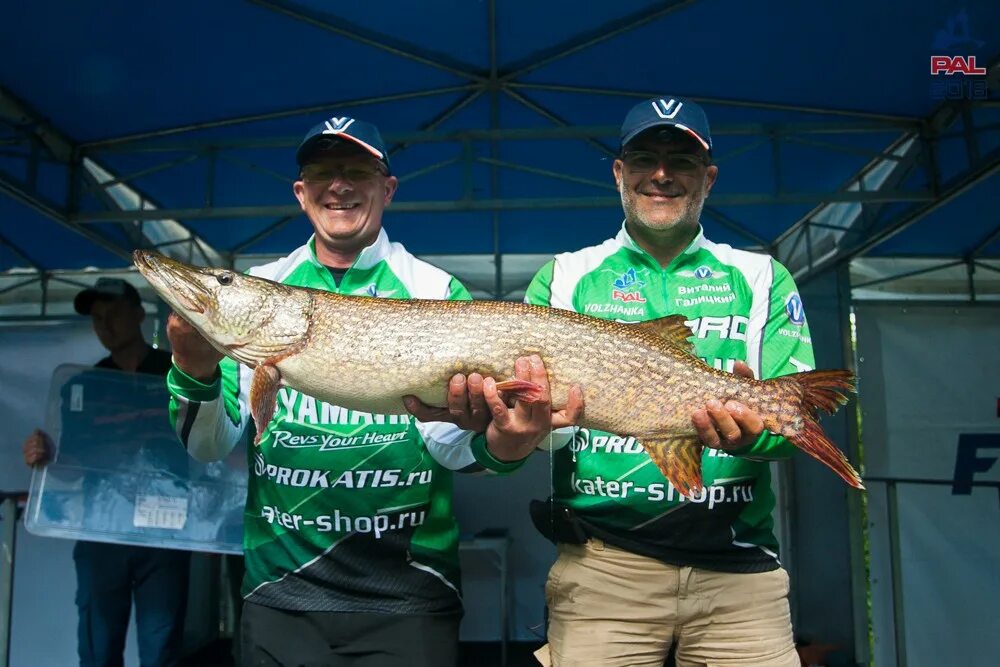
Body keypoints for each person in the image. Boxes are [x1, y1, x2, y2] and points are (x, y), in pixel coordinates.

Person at [164, 115, 582, 667]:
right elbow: (208, 446)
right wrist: (194, 371)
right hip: (280, 590)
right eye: (322, 172)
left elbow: (452, 444)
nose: (339, 185)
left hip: (409, 593)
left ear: (386, 188)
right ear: (301, 192)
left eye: (357, 171)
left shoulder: (435, 289)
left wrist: (506, 445)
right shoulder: (258, 288)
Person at [522, 96, 811, 667]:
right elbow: (538, 434)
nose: (660, 174)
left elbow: (796, 423)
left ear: (708, 178)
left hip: (740, 576)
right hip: (603, 572)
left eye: (680, 160)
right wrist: (530, 427)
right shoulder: (563, 277)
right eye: (643, 158)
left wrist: (751, 434)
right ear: (618, 174)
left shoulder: (761, 277)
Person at [22, 277, 190, 667]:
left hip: (166, 528)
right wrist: (45, 455)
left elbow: (206, 451)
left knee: (161, 644)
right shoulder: (83, 385)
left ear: (138, 314)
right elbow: (71, 470)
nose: (105, 325)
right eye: (97, 318)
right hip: (102, 530)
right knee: (98, 647)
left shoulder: (177, 374)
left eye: (113, 314)